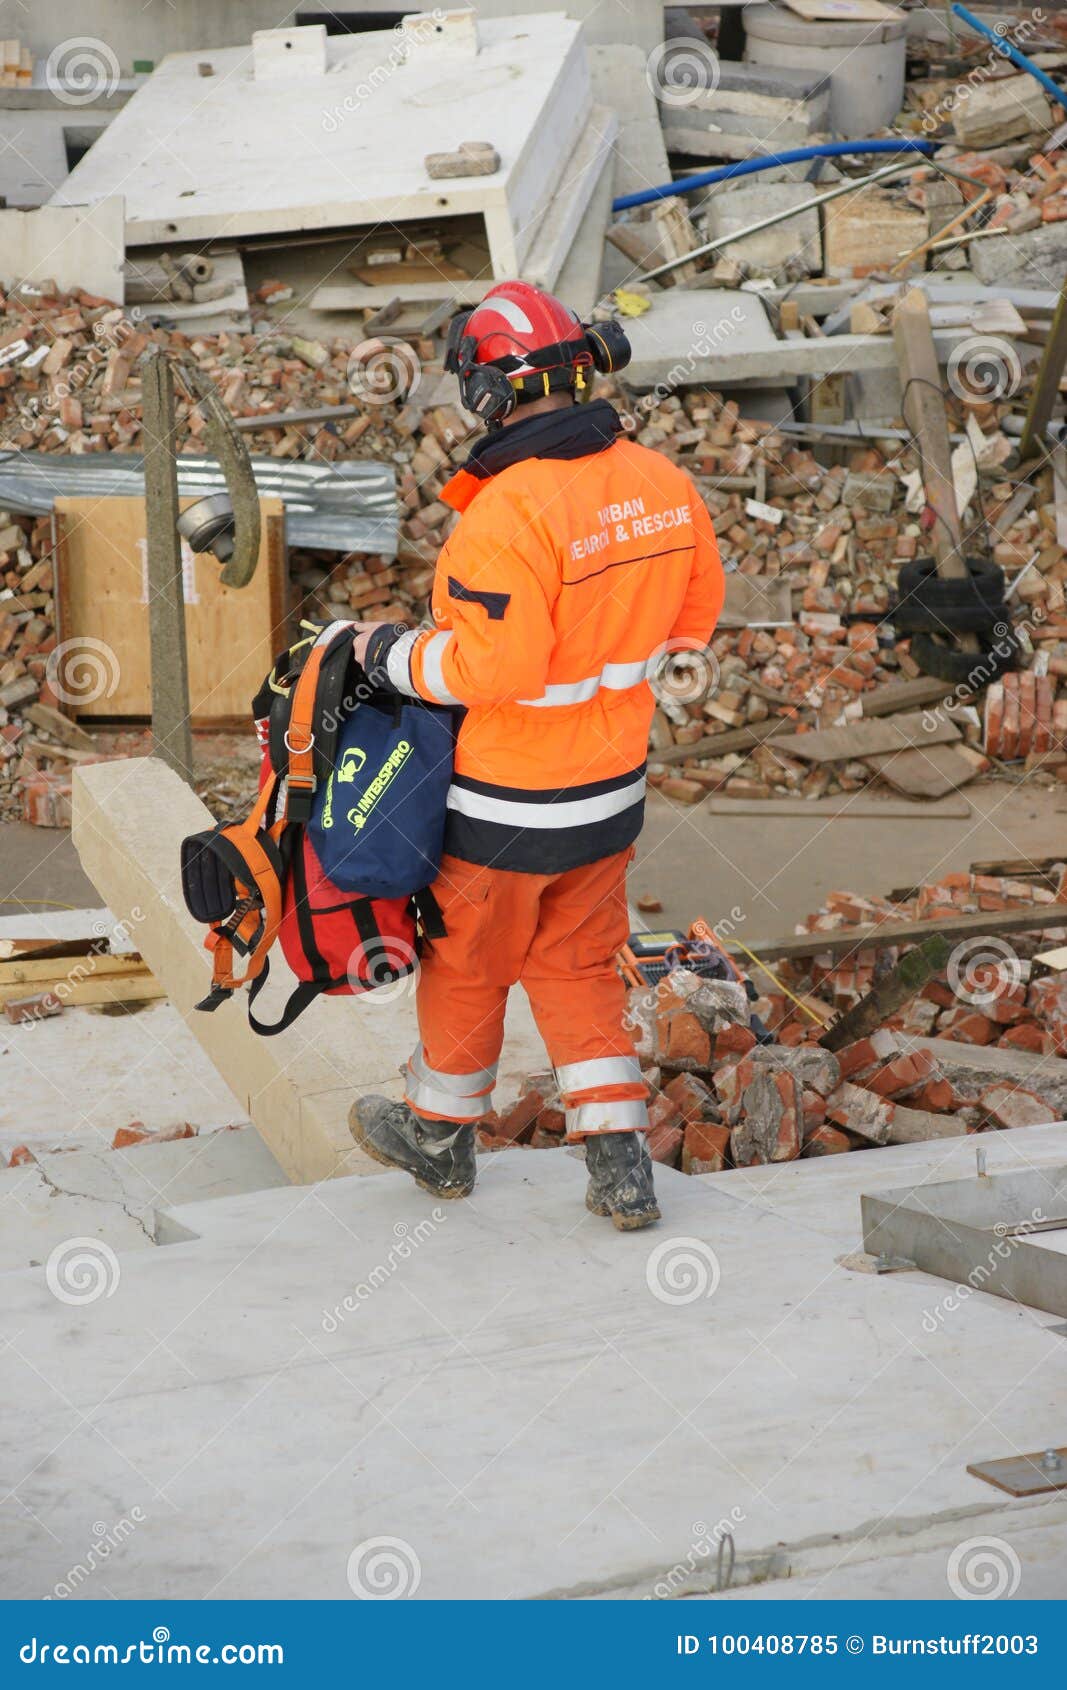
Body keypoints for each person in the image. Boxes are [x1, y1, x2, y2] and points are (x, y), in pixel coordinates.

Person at [348, 280, 724, 1229]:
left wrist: (383, 654)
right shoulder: (658, 482)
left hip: (506, 804)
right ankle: (620, 1166)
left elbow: (493, 668)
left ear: (488, 393)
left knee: (468, 965)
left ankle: (438, 1142)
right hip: (609, 795)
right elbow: (691, 624)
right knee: (578, 967)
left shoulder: (504, 514)